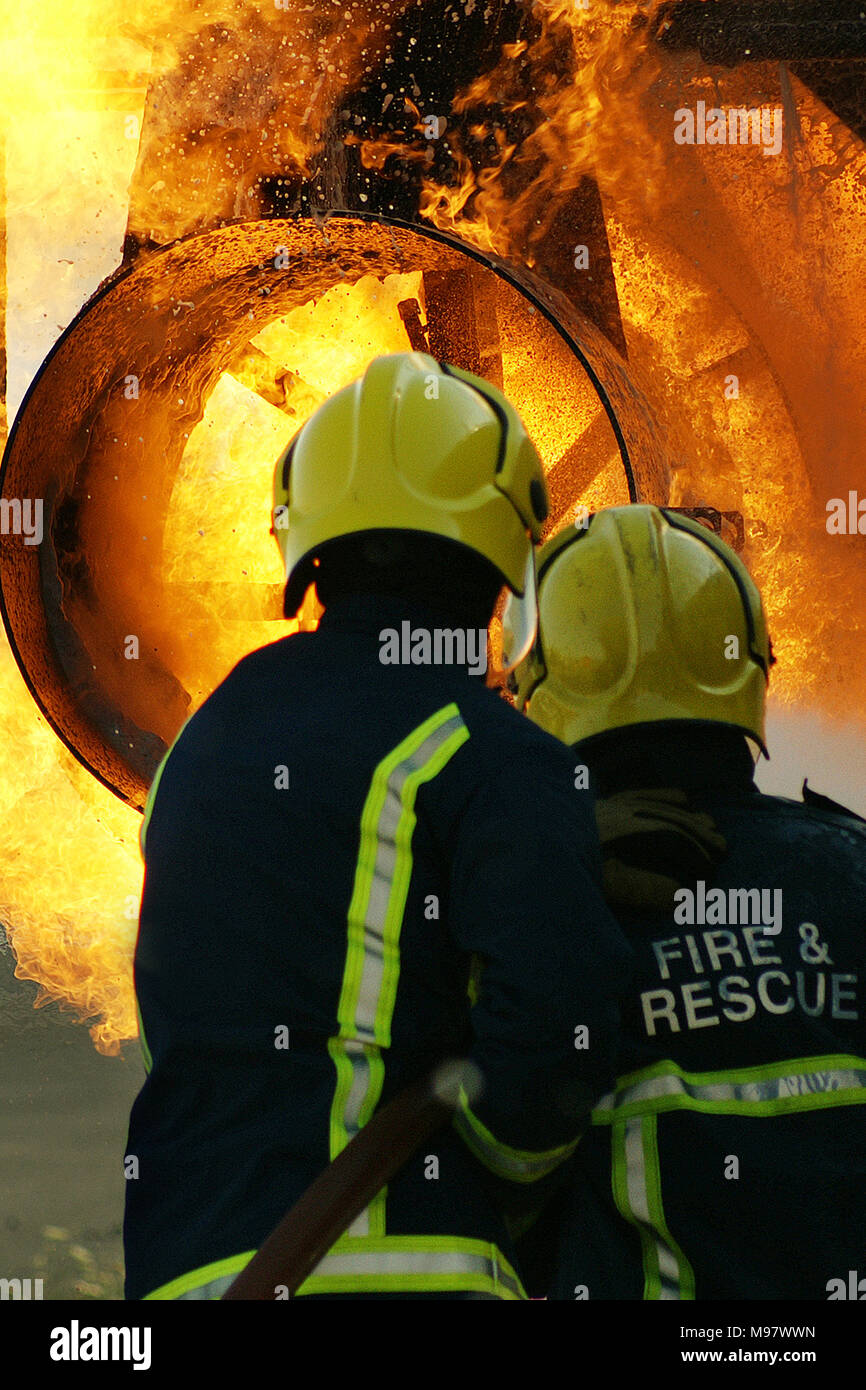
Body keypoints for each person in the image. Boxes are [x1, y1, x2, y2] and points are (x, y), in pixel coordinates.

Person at [122, 352, 632, 1301]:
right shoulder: (492, 751)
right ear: (502, 559)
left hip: (184, 1282)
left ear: (309, 543)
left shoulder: (203, 738)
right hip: (403, 1277)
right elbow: (554, 1032)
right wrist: (502, 1180)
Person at [508, 503, 866, 1301]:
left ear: (540, 691)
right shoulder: (852, 873)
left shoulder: (539, 922)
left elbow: (494, 1186)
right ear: (752, 669)